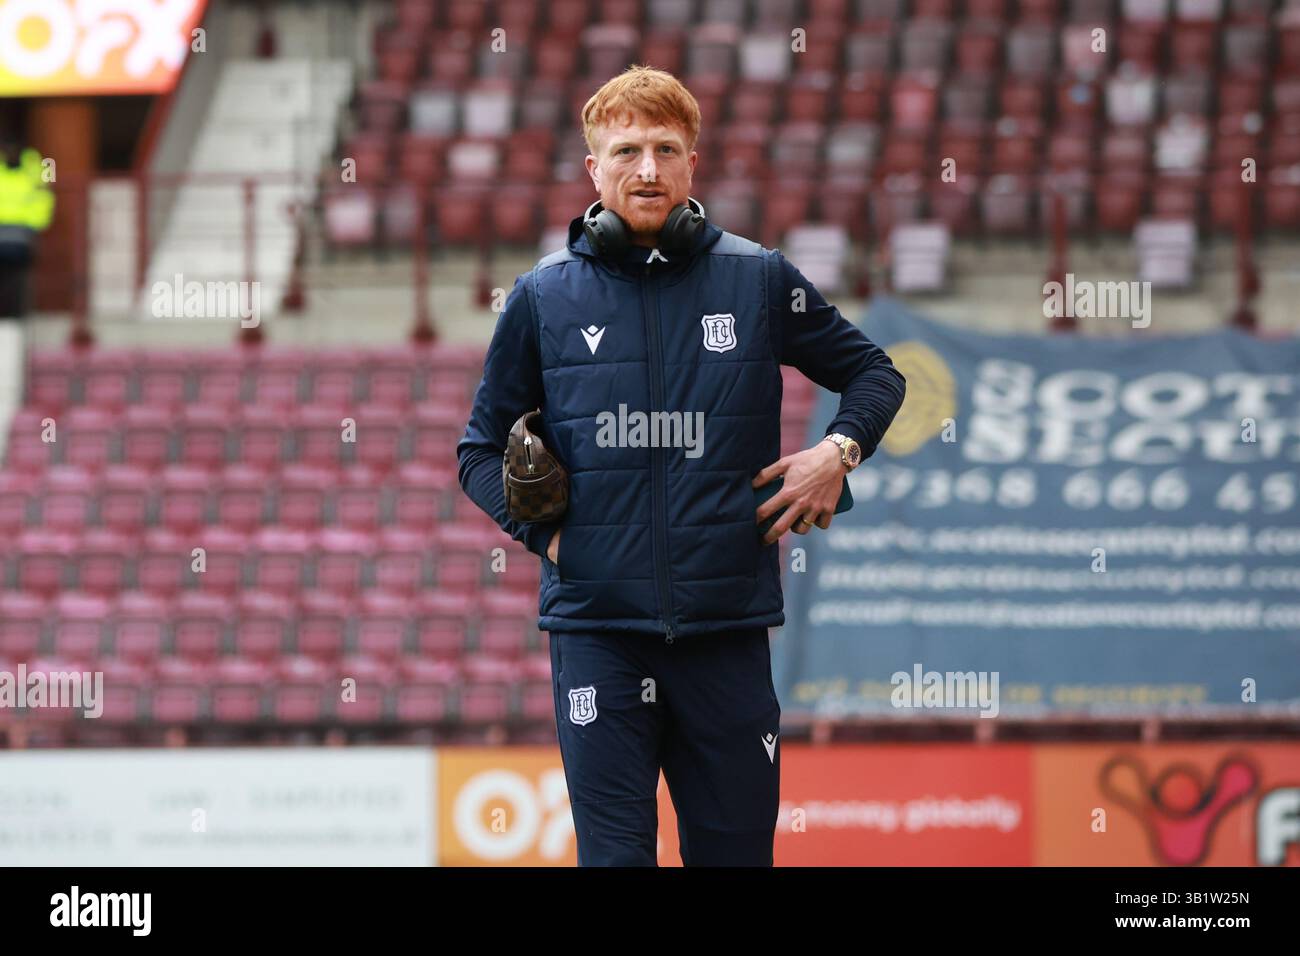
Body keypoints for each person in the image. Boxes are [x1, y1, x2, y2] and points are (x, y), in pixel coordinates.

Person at [457, 66, 906, 866]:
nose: (648, 170)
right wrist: (550, 542)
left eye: (667, 149)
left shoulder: (759, 280)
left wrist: (836, 453)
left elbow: (877, 373)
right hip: (598, 634)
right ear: (593, 169)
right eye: (626, 151)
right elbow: (479, 450)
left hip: (725, 631)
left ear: (694, 163)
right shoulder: (541, 298)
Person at [0, 135, 54, 320]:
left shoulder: (38, 165)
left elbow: (46, 192)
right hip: (6, 230)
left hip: (23, 232)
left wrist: (37, 224)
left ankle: (17, 313)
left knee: (19, 277)